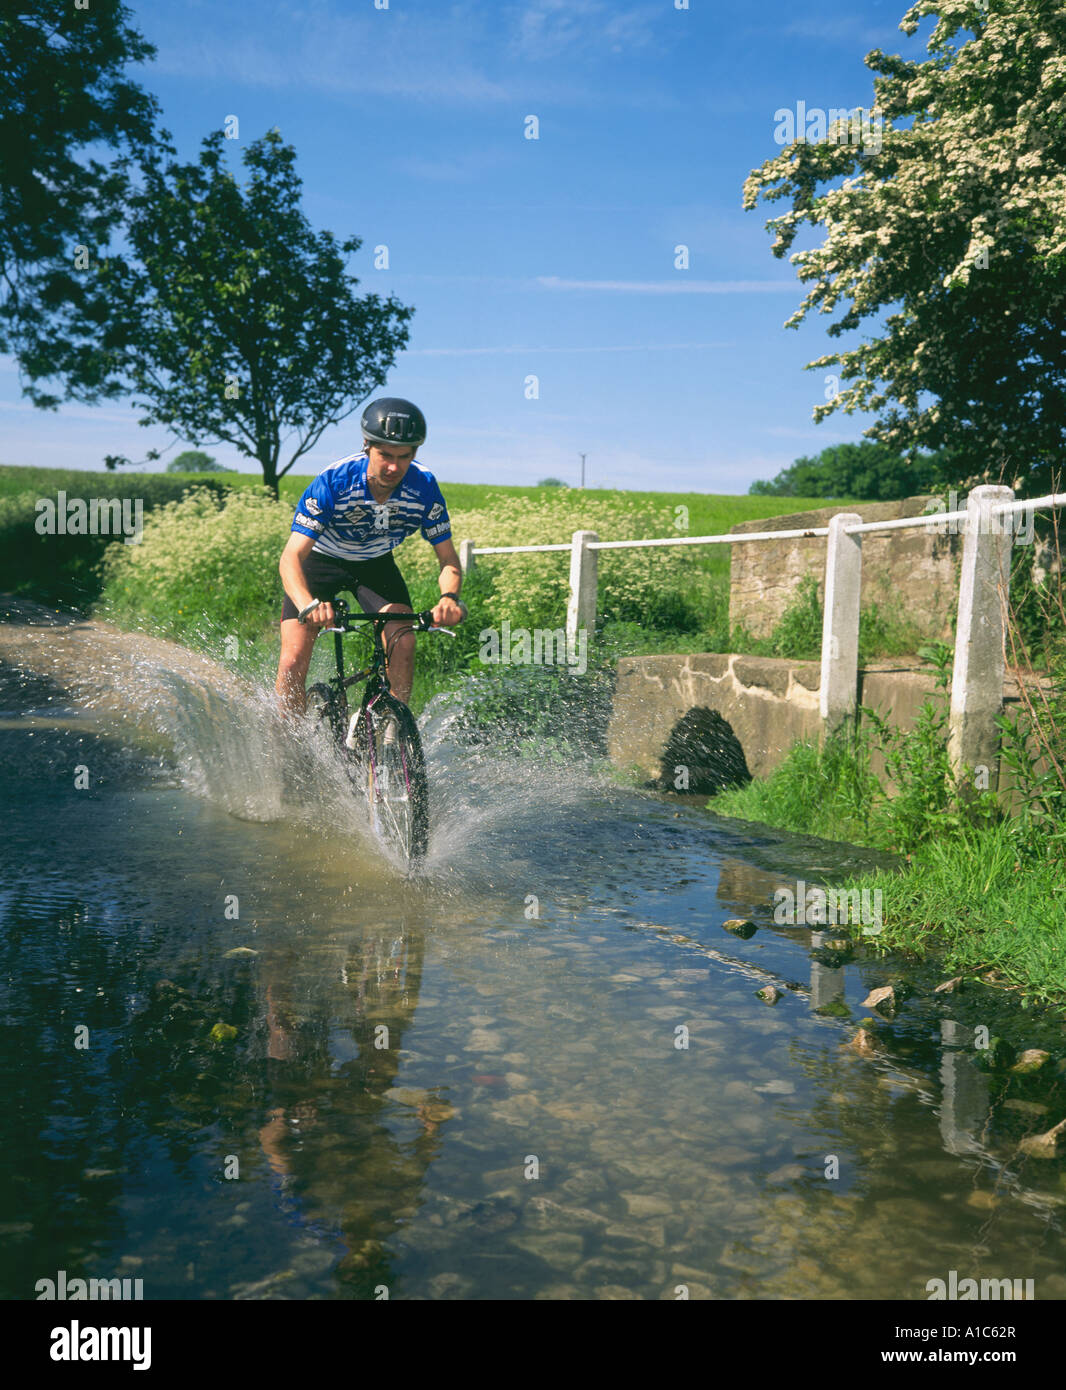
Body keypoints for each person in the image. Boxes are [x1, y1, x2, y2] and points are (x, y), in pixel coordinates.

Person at [275, 397, 463, 716]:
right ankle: (285, 744)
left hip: (375, 564)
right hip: (320, 561)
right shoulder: (334, 481)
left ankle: (392, 736)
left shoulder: (424, 486)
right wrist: (309, 605)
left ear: (415, 453)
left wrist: (449, 598)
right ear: (367, 445)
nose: (393, 467)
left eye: (404, 457)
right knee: (294, 656)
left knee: (402, 641)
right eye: (385, 455)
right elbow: (290, 558)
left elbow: (447, 558)